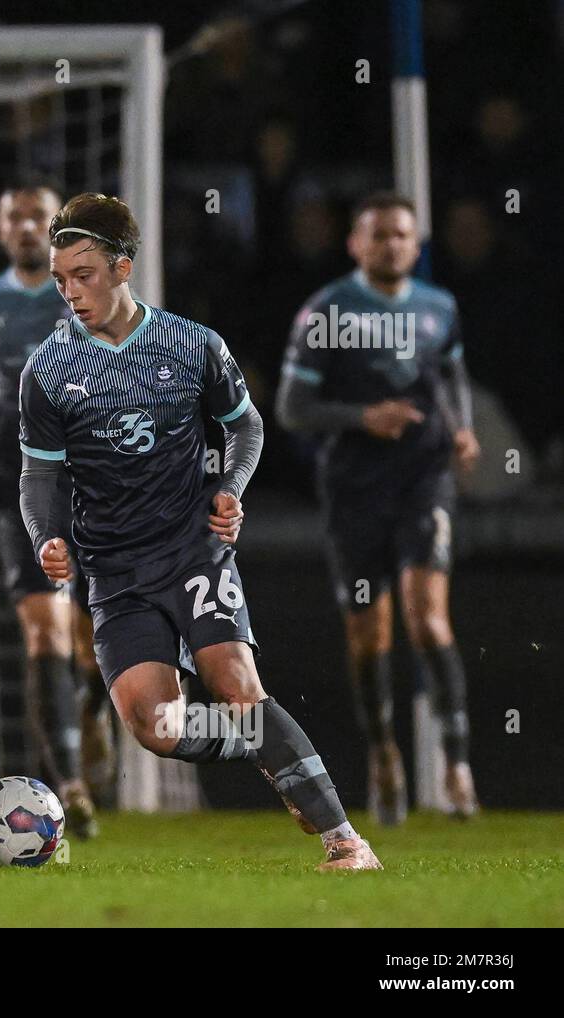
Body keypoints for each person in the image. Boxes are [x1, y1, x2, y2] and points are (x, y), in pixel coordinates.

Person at [19, 192, 380, 871]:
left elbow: (246, 425)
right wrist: (46, 535)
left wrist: (231, 489)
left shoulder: (192, 345)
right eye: (60, 277)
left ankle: (346, 843)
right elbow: (39, 476)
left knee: (235, 680)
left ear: (123, 268)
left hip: (191, 550)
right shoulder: (47, 370)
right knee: (158, 730)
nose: (69, 291)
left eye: (83, 274)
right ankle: (269, 746)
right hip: (114, 571)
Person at [275, 191, 480, 824]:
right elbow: (291, 409)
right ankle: (383, 755)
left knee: (429, 622)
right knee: (371, 634)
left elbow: (449, 379)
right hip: (355, 490)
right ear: (355, 244)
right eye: (380, 234)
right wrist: (364, 417)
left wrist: (462, 430)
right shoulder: (327, 311)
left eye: (402, 235)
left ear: (417, 245)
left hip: (422, 482)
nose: (392, 244)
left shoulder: (438, 306)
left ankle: (456, 768)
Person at [0, 183, 109, 835]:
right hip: (19, 483)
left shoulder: (88, 294)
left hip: (94, 479)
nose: (24, 226)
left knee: (92, 636)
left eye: (36, 216)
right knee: (43, 630)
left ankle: (93, 711)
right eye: (12, 215)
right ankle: (70, 784)